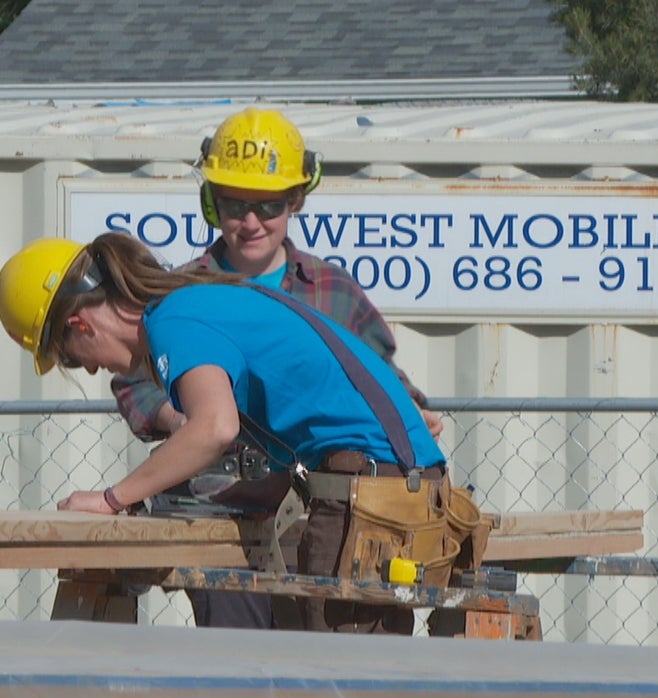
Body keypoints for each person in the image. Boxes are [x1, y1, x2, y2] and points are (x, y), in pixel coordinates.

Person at [0, 230, 449, 634]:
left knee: (345, 677)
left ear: (79, 324)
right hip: (389, 482)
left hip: (374, 491)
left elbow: (213, 427)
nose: (91, 368)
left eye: (71, 358)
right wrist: (265, 488)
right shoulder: (200, 301)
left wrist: (113, 498)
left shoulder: (173, 320)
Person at [108, 106, 443, 629]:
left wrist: (411, 412)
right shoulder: (180, 293)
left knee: (320, 644)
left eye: (268, 206)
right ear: (211, 203)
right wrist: (189, 420)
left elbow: (375, 376)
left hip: (322, 505)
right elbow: (135, 381)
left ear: (296, 201)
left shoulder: (333, 291)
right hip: (221, 506)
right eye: (235, 205)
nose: (251, 222)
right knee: (236, 653)